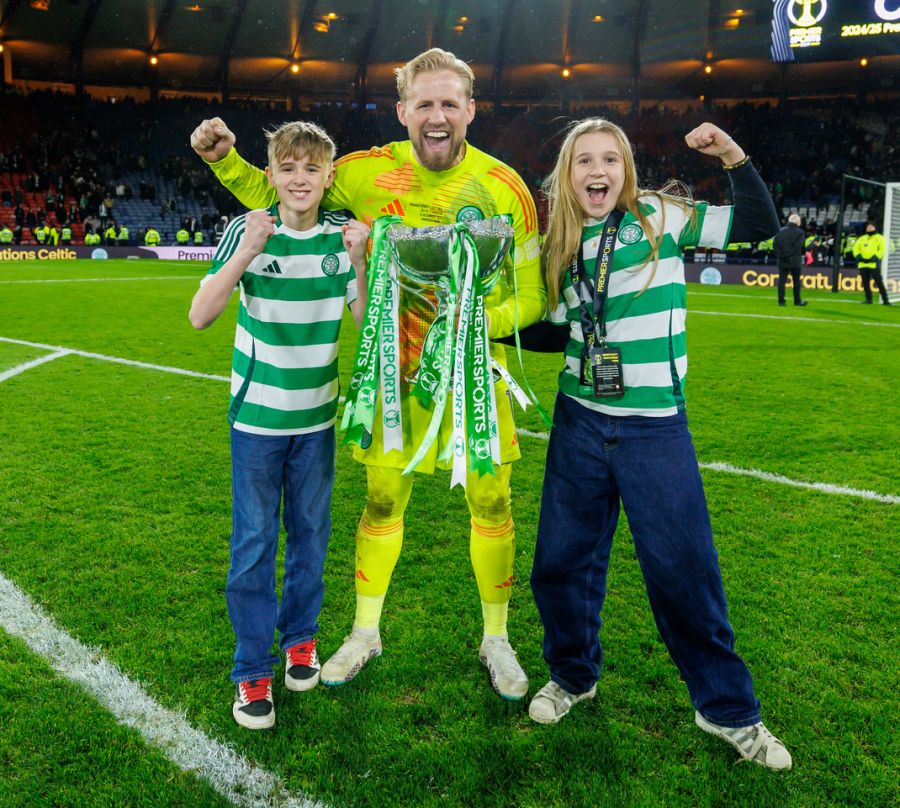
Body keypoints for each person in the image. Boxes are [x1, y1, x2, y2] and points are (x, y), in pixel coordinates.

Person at [191, 47, 545, 701]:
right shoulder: (365, 172)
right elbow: (285, 187)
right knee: (381, 502)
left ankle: (496, 638)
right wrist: (223, 162)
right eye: (425, 103)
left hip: (473, 376)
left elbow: (533, 295)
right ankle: (364, 632)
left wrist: (475, 316)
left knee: (492, 501)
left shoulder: (504, 187)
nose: (437, 116)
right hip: (392, 377)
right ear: (403, 110)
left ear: (470, 109)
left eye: (450, 103)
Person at [527, 118, 793, 771]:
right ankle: (573, 676)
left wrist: (733, 152)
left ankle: (728, 711)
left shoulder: (662, 216)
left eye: (609, 160)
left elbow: (755, 222)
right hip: (579, 420)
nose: (597, 171)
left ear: (625, 170)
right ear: (568, 173)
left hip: (653, 426)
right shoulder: (557, 242)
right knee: (560, 564)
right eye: (584, 160)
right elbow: (548, 333)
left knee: (684, 572)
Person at [188, 120, 371, 730]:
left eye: (311, 169)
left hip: (316, 421)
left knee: (311, 539)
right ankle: (251, 672)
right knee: (254, 546)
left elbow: (366, 327)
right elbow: (200, 316)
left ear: (329, 176)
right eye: (287, 168)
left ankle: (300, 641)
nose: (299, 179)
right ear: (270, 176)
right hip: (258, 425)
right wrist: (246, 250)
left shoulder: (341, 240)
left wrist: (362, 263)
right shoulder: (247, 229)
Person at [853, 222, 892, 305]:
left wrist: (875, 258)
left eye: (871, 226)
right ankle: (868, 300)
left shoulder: (880, 238)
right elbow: (856, 249)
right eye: (868, 227)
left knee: (879, 282)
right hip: (863, 264)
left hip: (873, 264)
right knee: (865, 283)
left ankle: (886, 300)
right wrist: (858, 256)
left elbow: (882, 250)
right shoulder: (862, 238)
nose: (869, 228)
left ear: (875, 228)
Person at [773, 213, 807, 307]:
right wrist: (789, 255)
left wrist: (781, 256)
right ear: (797, 221)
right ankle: (797, 301)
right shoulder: (800, 232)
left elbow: (775, 245)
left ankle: (781, 301)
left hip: (782, 260)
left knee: (781, 281)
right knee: (796, 281)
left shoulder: (780, 231)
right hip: (794, 260)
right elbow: (797, 247)